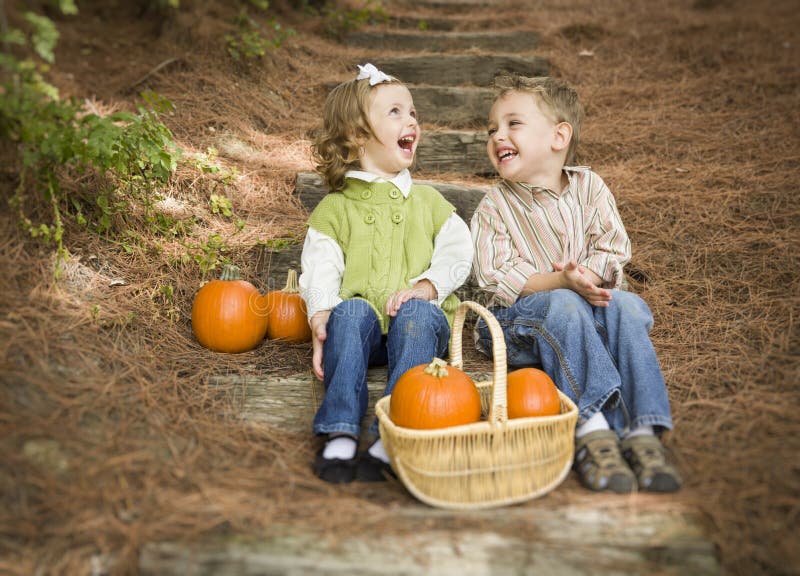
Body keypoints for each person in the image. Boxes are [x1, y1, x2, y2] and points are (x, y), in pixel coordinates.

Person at [470, 74, 682, 493]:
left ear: (558, 136)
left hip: (583, 306)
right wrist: (562, 282)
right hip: (515, 323)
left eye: (513, 124)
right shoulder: (494, 206)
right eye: (492, 128)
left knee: (629, 306)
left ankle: (643, 432)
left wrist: (588, 277)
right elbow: (496, 273)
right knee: (564, 304)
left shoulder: (590, 187)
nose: (498, 136)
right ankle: (594, 430)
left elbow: (612, 248)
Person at [299, 63, 473, 484]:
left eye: (412, 112)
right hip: (360, 333)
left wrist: (428, 286)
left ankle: (390, 436)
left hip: (418, 326)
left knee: (415, 316)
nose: (411, 120)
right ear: (359, 136)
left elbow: (459, 250)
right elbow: (320, 266)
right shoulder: (336, 208)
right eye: (395, 112)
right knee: (350, 313)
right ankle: (339, 432)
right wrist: (321, 314)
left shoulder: (429, 202)